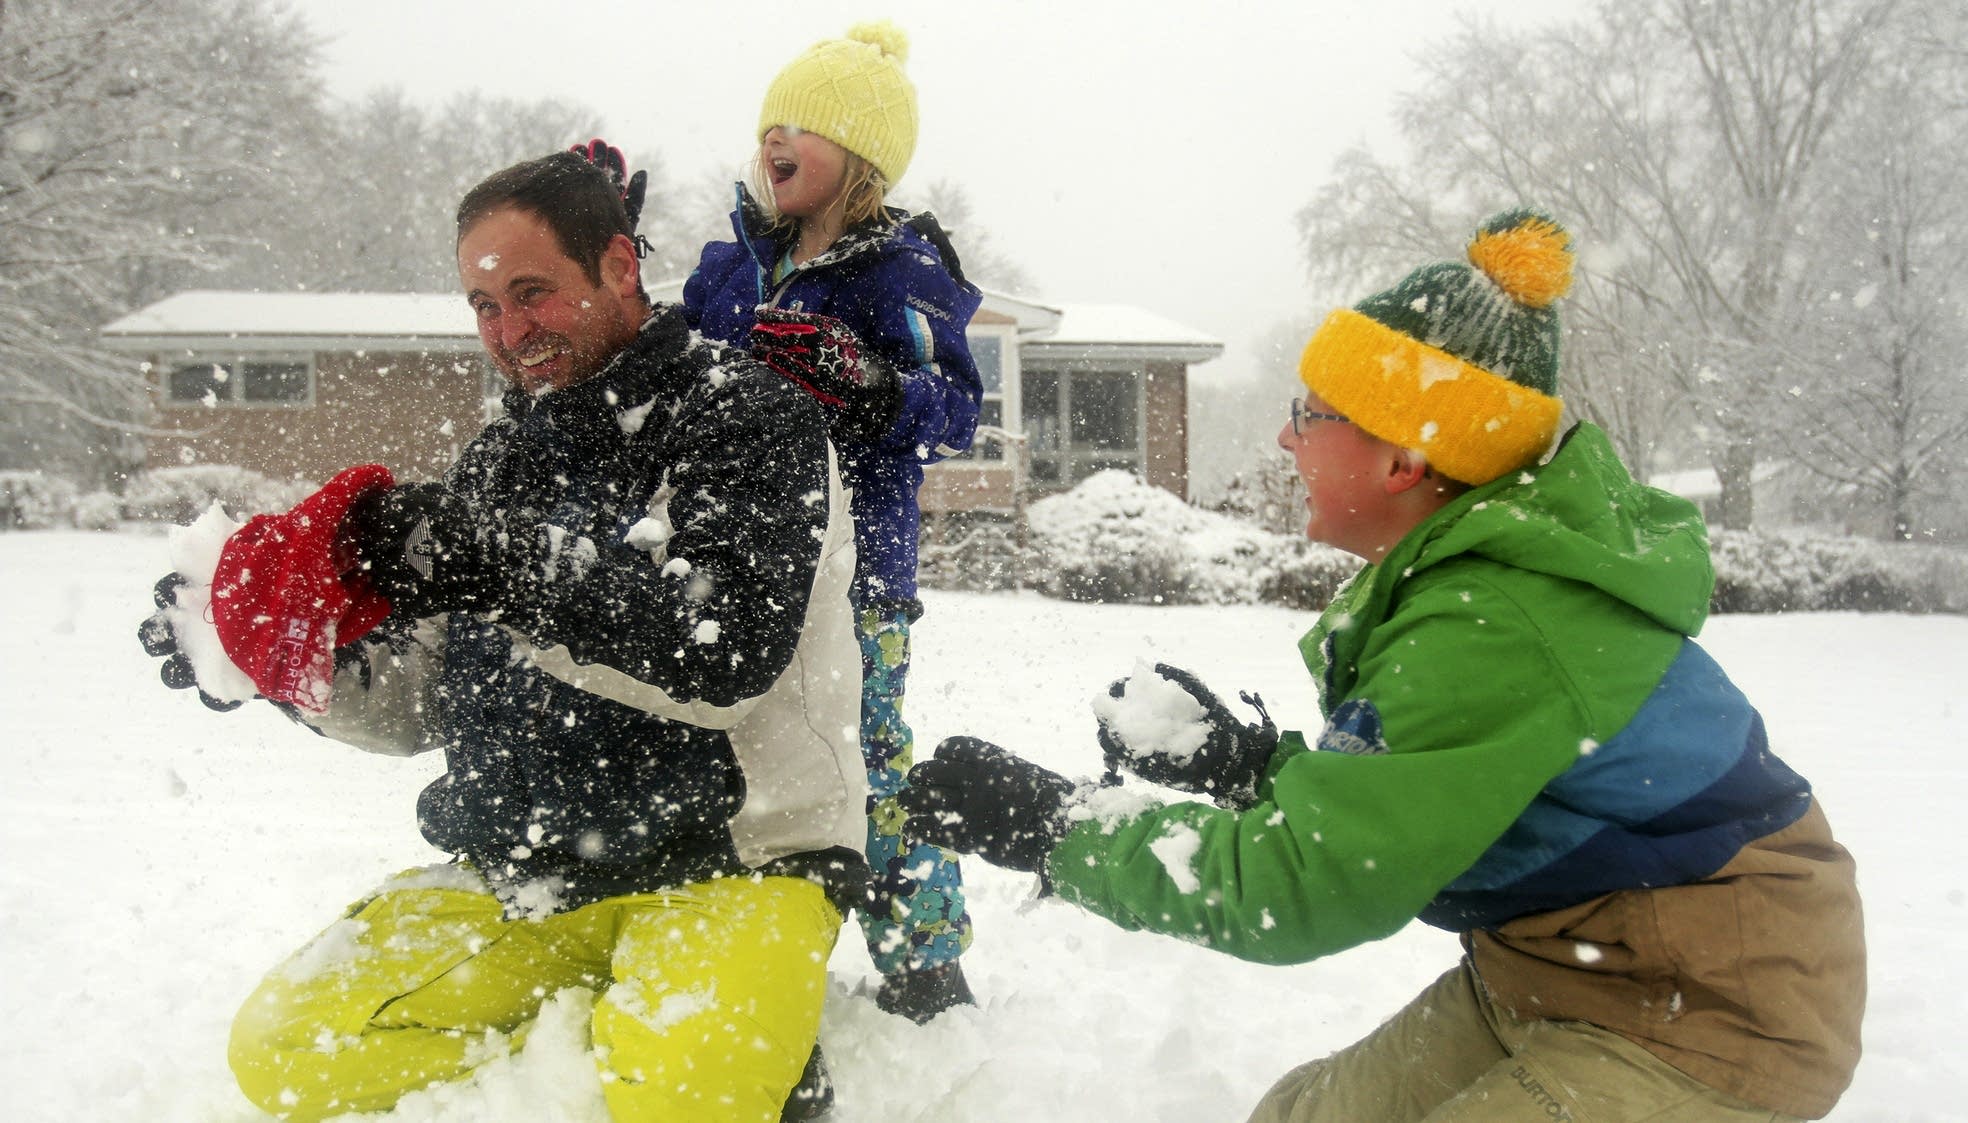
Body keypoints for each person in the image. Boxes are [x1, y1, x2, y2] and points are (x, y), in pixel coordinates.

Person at [900, 210, 1867, 1121]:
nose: (1284, 436)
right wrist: (1248, 769)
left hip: (1704, 1012)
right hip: (1557, 971)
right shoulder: (1455, 581)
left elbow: (1303, 885)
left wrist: (1055, 826)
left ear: (1405, 460)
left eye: (1310, 413)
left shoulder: (1495, 621)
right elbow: (1411, 800)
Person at [138, 145, 865, 1122]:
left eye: (533, 292)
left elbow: (718, 650)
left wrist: (481, 560)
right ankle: (605, 1029)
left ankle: (728, 1039)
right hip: (522, 873)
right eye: (485, 307)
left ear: (617, 266)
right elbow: (419, 700)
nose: (510, 332)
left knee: (679, 1100)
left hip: (732, 864)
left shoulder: (744, 416)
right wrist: (283, 661)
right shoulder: (498, 462)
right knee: (286, 1045)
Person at [681, 19, 983, 1023]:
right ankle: (749, 941)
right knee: (728, 758)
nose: (772, 141)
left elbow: (953, 413)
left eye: (797, 127)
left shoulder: (901, 274)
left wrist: (869, 387)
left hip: (855, 573)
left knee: (866, 768)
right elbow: (664, 366)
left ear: (859, 155)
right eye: (767, 122)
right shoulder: (731, 265)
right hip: (724, 554)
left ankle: (923, 961)